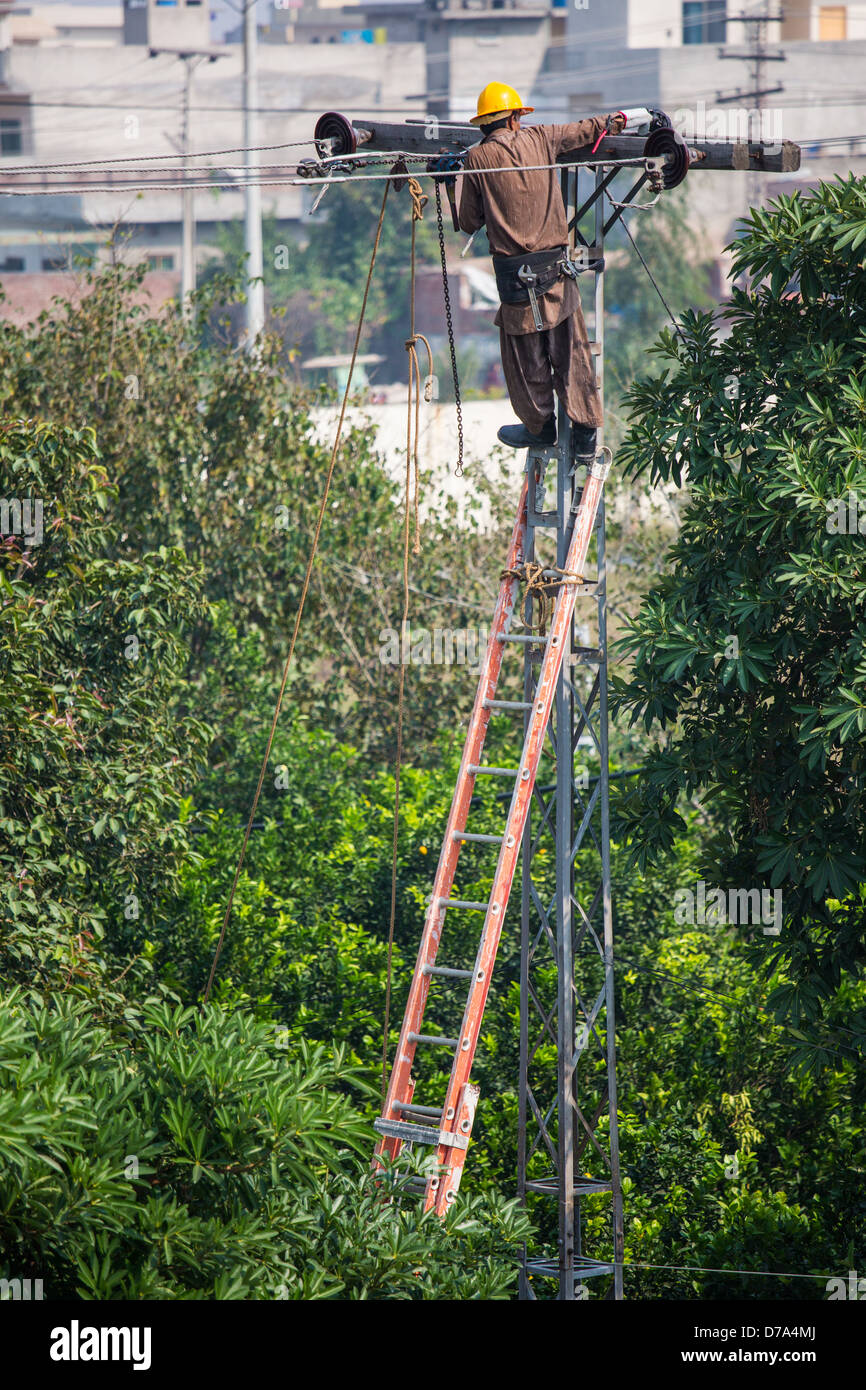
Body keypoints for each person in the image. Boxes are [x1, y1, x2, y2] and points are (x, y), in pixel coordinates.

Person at [457, 82, 625, 456]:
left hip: (514, 282)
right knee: (572, 351)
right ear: (516, 118)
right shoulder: (541, 139)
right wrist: (614, 121)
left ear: (484, 124)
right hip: (555, 274)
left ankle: (539, 427)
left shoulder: (477, 159)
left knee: (524, 359)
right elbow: (583, 130)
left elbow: (468, 220)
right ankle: (584, 434)